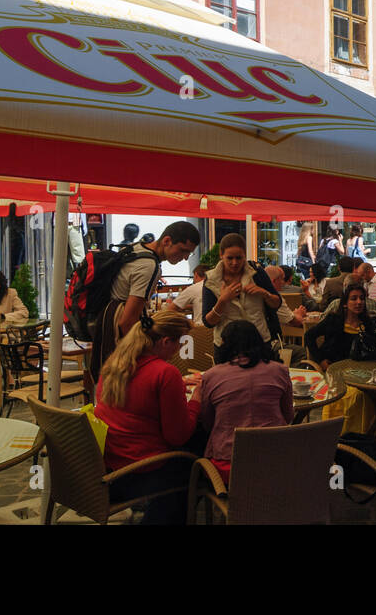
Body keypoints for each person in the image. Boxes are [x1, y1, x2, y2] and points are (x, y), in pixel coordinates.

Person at [94, 309, 199, 524]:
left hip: (110, 465)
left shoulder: (115, 364)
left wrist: (178, 385)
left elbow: (138, 396)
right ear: (166, 341)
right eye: (179, 344)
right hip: (144, 470)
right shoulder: (165, 373)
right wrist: (197, 399)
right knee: (199, 461)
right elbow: (177, 436)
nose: (179, 350)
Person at [91, 220, 199, 381]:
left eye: (188, 254)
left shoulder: (136, 248)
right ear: (167, 241)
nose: (184, 258)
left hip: (106, 317)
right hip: (117, 326)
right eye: (182, 250)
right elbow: (127, 321)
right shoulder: (149, 266)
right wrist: (142, 357)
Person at [196, 319, 294, 485]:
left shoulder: (211, 376)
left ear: (224, 345)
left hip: (229, 463)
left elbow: (207, 422)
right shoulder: (280, 370)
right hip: (276, 457)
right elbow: (288, 415)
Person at [200, 234, 285, 348]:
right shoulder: (211, 280)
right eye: (230, 258)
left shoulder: (257, 273)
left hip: (259, 341)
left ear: (245, 255)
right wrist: (222, 301)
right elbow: (208, 322)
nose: (234, 263)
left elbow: (276, 304)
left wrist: (264, 293)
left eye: (239, 258)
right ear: (221, 255)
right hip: (227, 346)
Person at [305, 283, 376, 367]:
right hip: (333, 369)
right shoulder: (334, 320)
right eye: (354, 299)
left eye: (362, 298)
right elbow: (309, 335)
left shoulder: (367, 324)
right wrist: (320, 360)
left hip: (360, 370)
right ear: (345, 303)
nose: (359, 302)